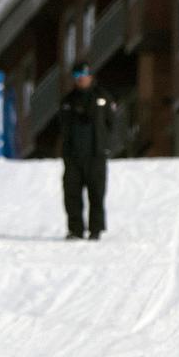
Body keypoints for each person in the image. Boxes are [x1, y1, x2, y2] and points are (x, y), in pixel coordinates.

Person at [59, 61, 117, 240]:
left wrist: (105, 145)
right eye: (77, 77)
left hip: (96, 154)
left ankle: (95, 229)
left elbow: (111, 123)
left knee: (97, 192)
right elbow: (63, 126)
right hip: (74, 156)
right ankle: (75, 229)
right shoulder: (68, 101)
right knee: (72, 194)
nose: (81, 80)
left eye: (84, 76)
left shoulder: (103, 98)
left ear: (91, 76)